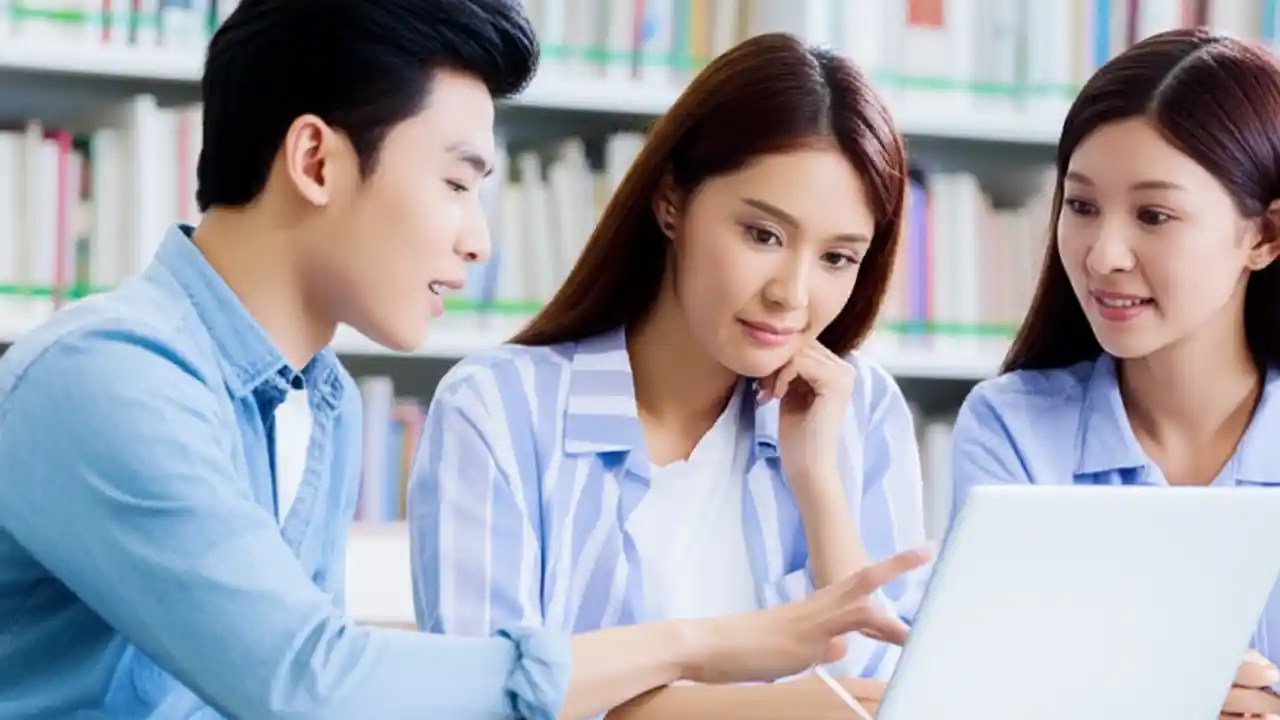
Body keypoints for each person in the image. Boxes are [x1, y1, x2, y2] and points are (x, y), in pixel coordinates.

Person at [0, 2, 931, 718]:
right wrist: (704, 647)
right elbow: (312, 684)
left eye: (839, 256)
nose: (478, 240)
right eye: (456, 182)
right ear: (316, 161)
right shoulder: (108, 379)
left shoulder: (317, 400)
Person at [408, 31, 930, 716]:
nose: (792, 294)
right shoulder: (499, 410)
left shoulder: (860, 409)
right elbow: (479, 702)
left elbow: (892, 697)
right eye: (763, 235)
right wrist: (768, 710)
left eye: (837, 258)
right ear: (671, 201)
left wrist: (819, 485)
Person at [948, 27, 1280, 719]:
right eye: (1082, 206)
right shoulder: (1012, 430)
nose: (1103, 256)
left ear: (1265, 236)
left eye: (1154, 215)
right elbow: (978, 695)